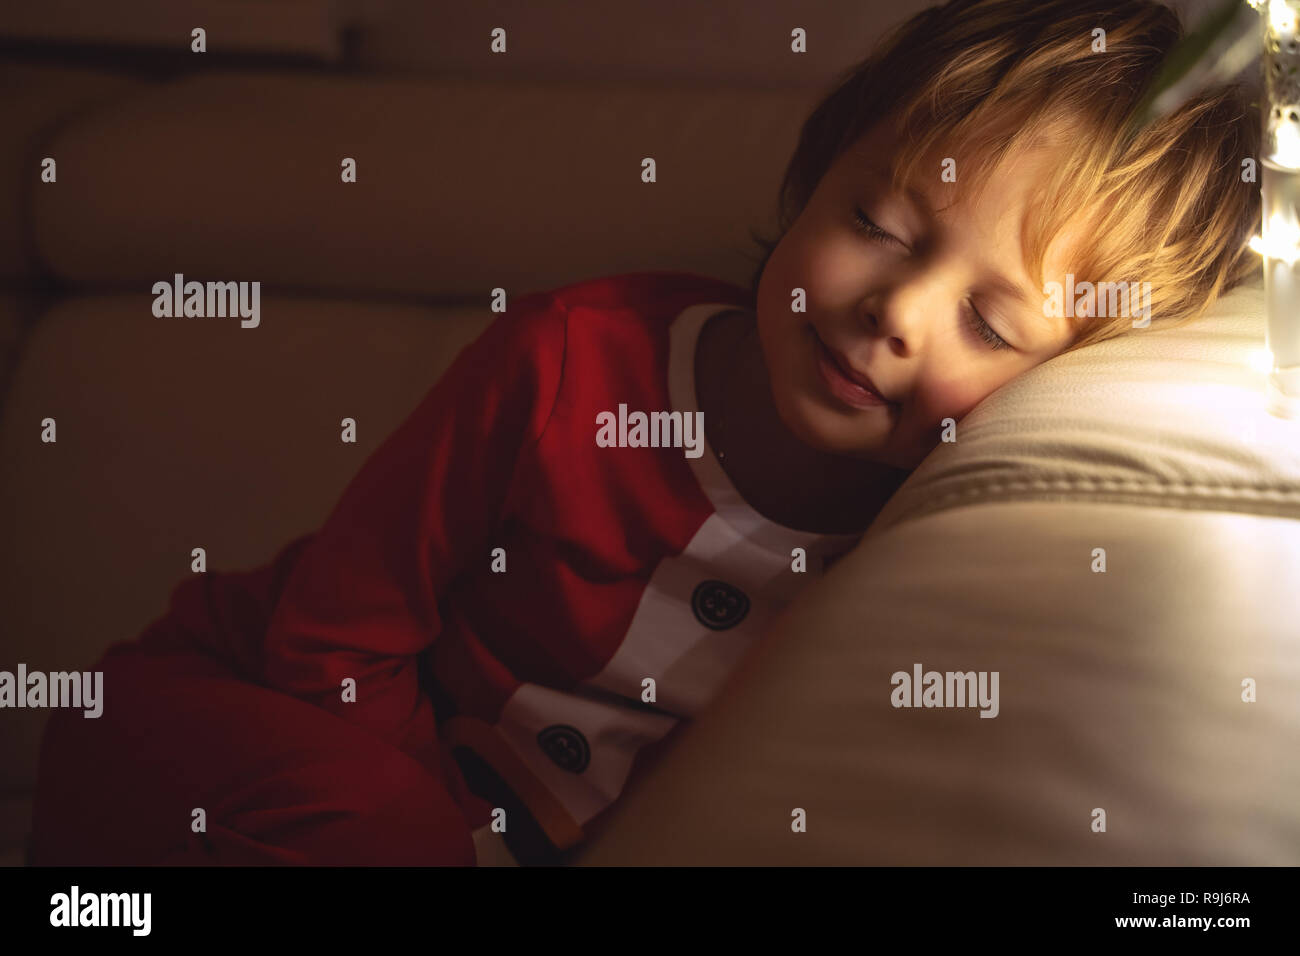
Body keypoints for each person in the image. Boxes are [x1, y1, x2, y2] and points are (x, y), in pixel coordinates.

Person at [31, 0, 1261, 867]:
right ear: (813, 174)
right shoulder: (573, 361)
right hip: (232, 718)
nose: (893, 310)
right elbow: (337, 628)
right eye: (878, 222)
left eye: (990, 321)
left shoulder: (930, 535)